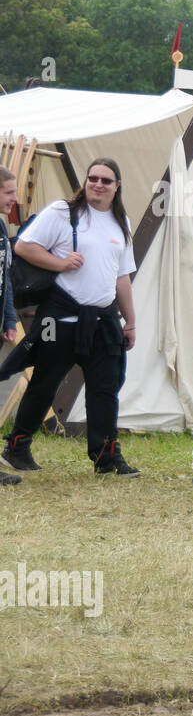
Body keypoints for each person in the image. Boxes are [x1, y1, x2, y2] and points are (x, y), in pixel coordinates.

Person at [1, 159, 139, 476]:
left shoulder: (121, 222)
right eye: (93, 178)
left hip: (104, 320)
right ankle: (17, 446)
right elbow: (23, 246)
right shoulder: (63, 212)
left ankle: (106, 457)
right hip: (58, 317)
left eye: (106, 180)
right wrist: (60, 263)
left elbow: (122, 278)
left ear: (117, 186)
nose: (98, 184)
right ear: (85, 181)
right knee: (45, 382)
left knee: (106, 388)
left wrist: (129, 321)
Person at [0, 167, 21, 484]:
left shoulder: (2, 228)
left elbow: (5, 279)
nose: (14, 199)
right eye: (8, 193)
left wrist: (9, 317)